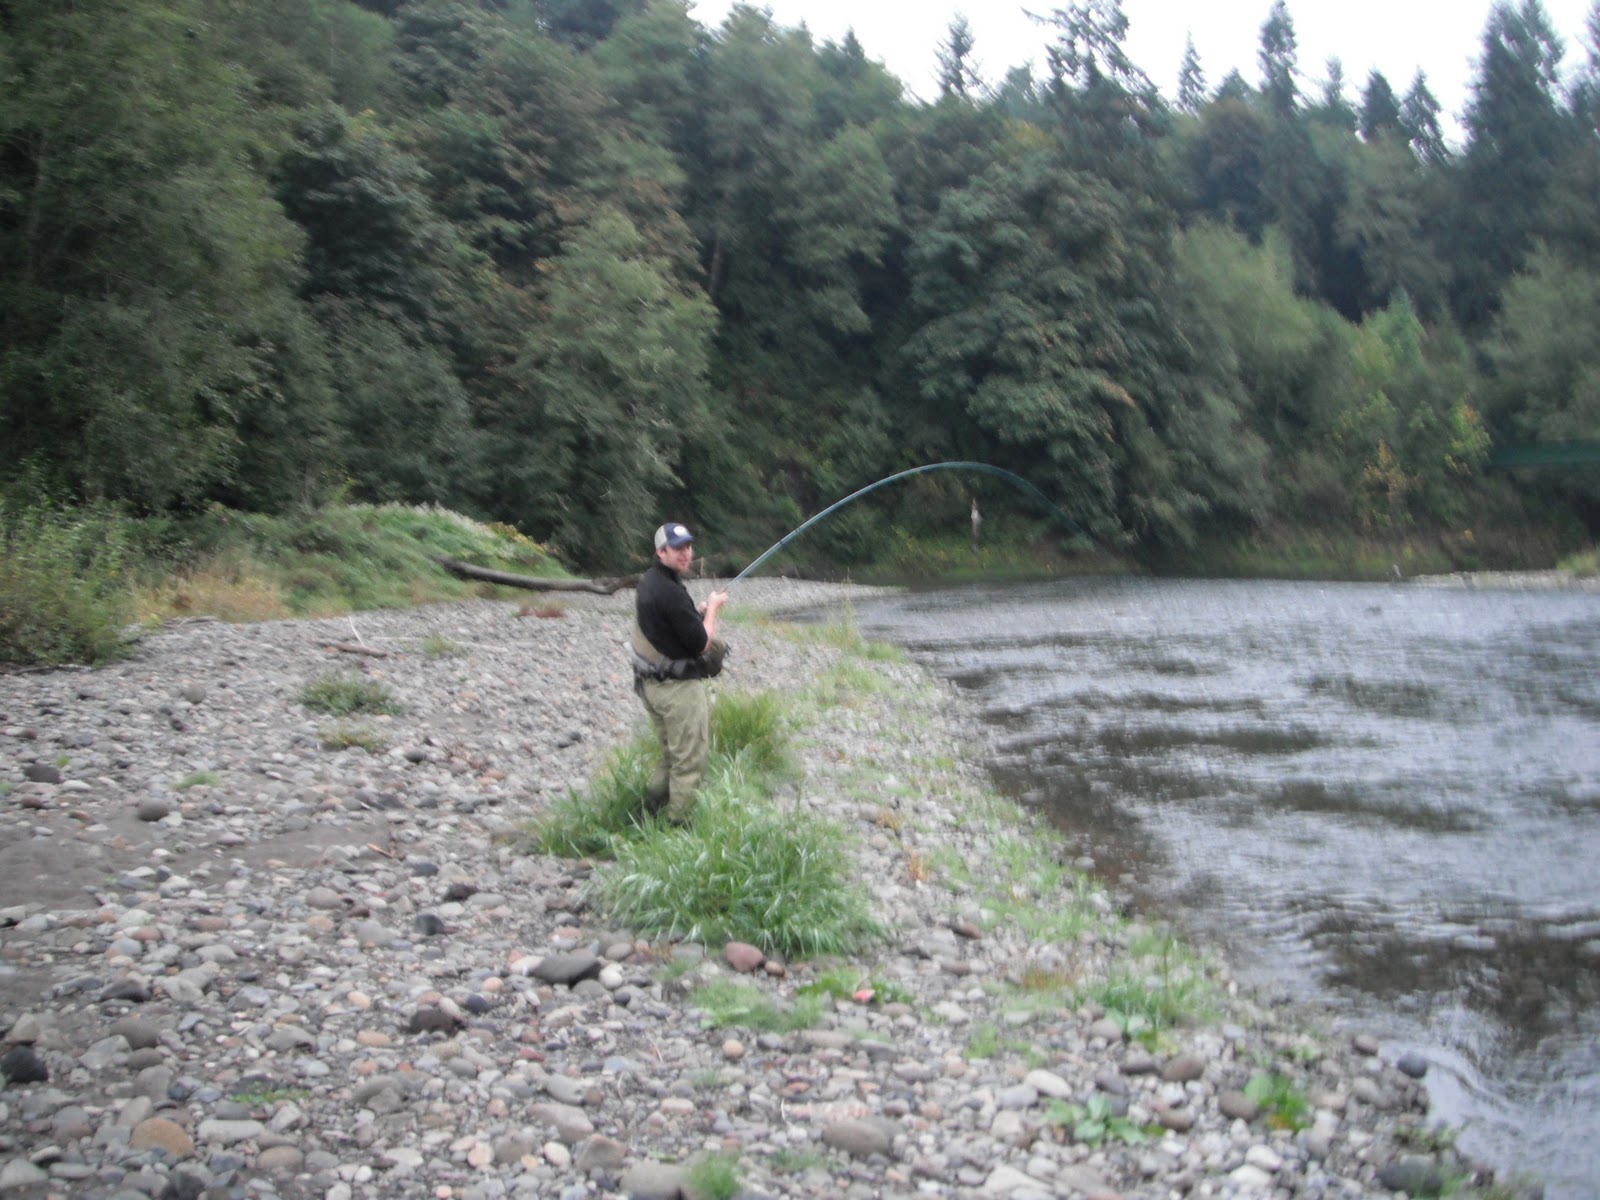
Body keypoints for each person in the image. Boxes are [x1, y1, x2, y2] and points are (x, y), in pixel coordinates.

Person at [629, 522, 728, 823]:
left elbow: (669, 628)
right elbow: (701, 643)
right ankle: (678, 830)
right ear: (661, 552)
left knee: (671, 757)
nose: (685, 553)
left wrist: (695, 616)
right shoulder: (670, 591)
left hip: (651, 687)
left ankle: (644, 817)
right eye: (677, 548)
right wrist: (712, 610)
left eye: (687, 547)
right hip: (676, 692)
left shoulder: (650, 582)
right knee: (689, 761)